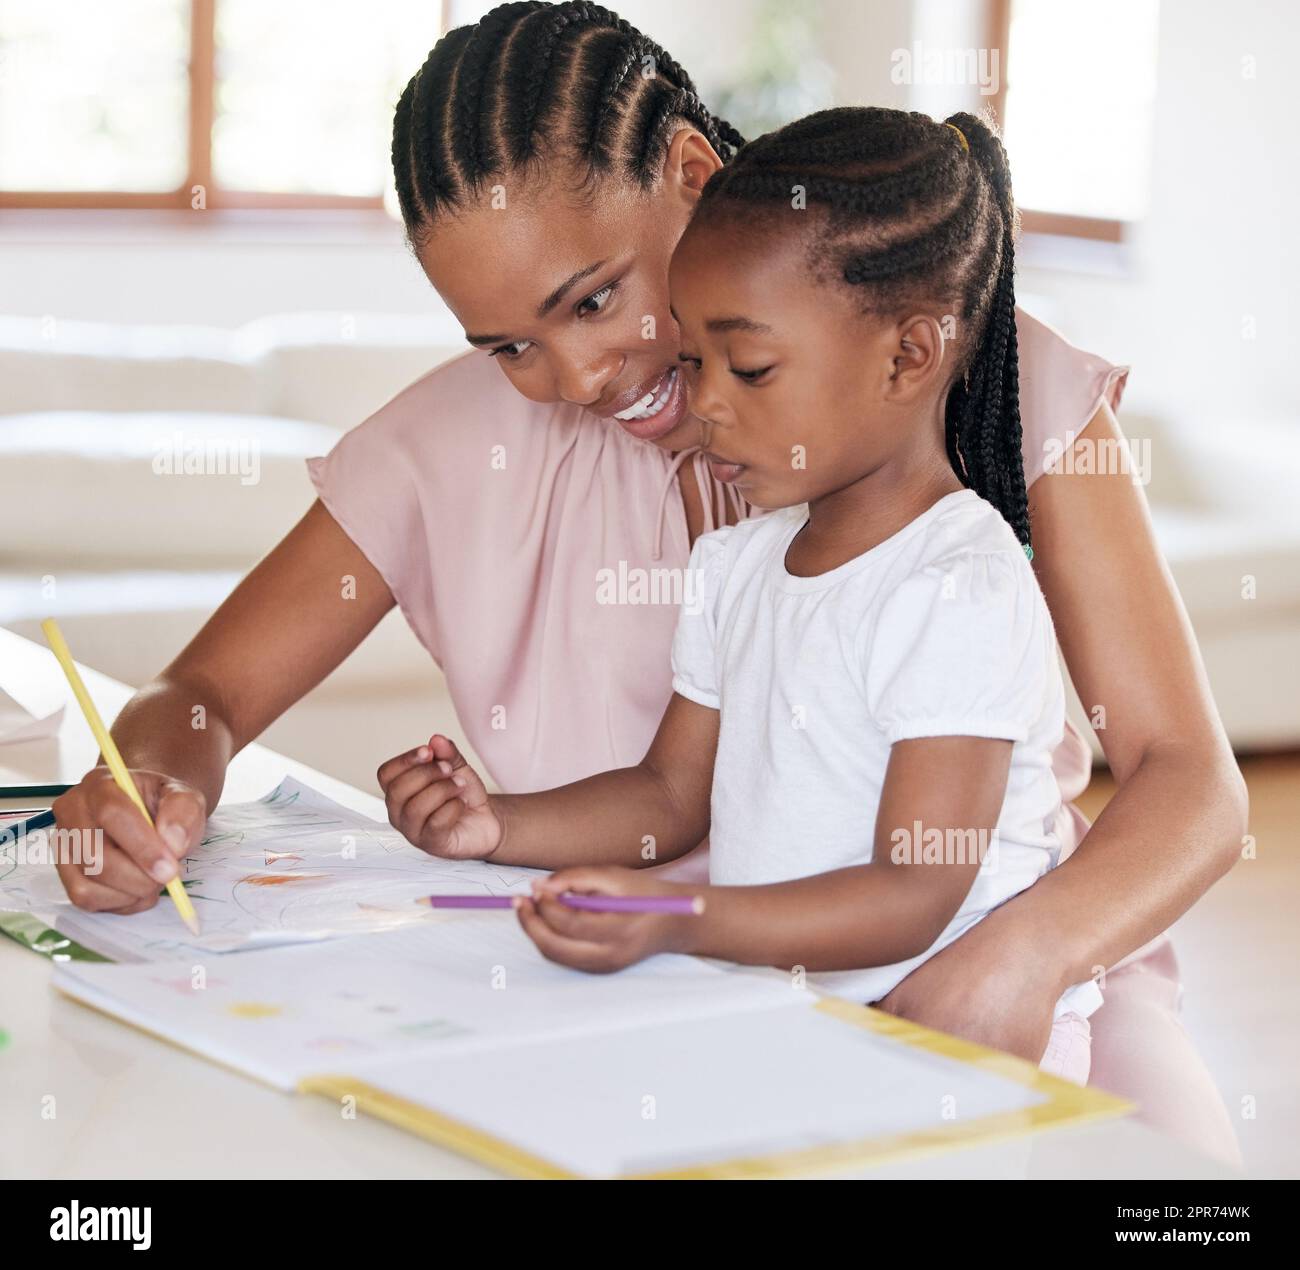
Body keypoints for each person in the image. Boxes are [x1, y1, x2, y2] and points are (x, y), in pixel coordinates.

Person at [50, 2, 1246, 1162]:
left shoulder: (967, 367)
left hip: (1017, 980)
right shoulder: (453, 449)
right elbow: (203, 686)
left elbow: (1188, 782)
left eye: (595, 298)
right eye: (509, 344)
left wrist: (1017, 960)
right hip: (643, 991)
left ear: (686, 169)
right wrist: (147, 778)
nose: (575, 376)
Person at [381, 105, 1106, 1083]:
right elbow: (668, 795)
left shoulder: (956, 585)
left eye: (749, 367)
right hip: (800, 1014)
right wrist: (495, 825)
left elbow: (914, 889)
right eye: (691, 361)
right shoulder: (739, 567)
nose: (706, 403)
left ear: (908, 356)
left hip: (957, 1046)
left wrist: (681, 918)